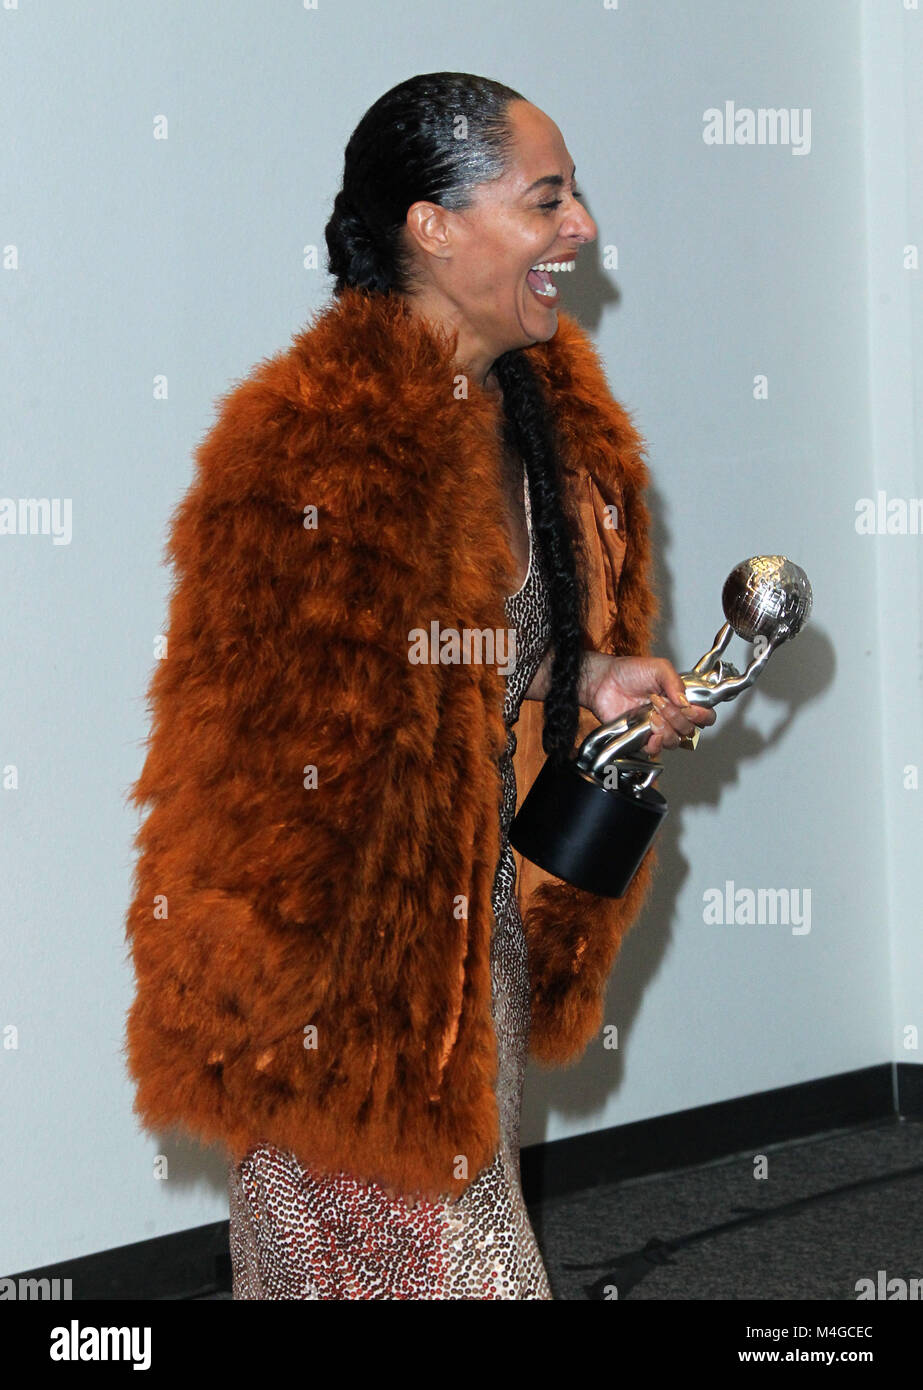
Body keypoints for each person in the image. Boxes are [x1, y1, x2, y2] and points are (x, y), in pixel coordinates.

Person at [123, 71, 715, 1301]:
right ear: (431, 227)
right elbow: (248, 778)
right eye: (544, 199)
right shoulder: (305, 448)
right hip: (345, 1005)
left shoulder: (544, 420)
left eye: (574, 198)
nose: (581, 229)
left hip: (471, 961)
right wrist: (317, 1037)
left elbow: (491, 661)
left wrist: (589, 679)